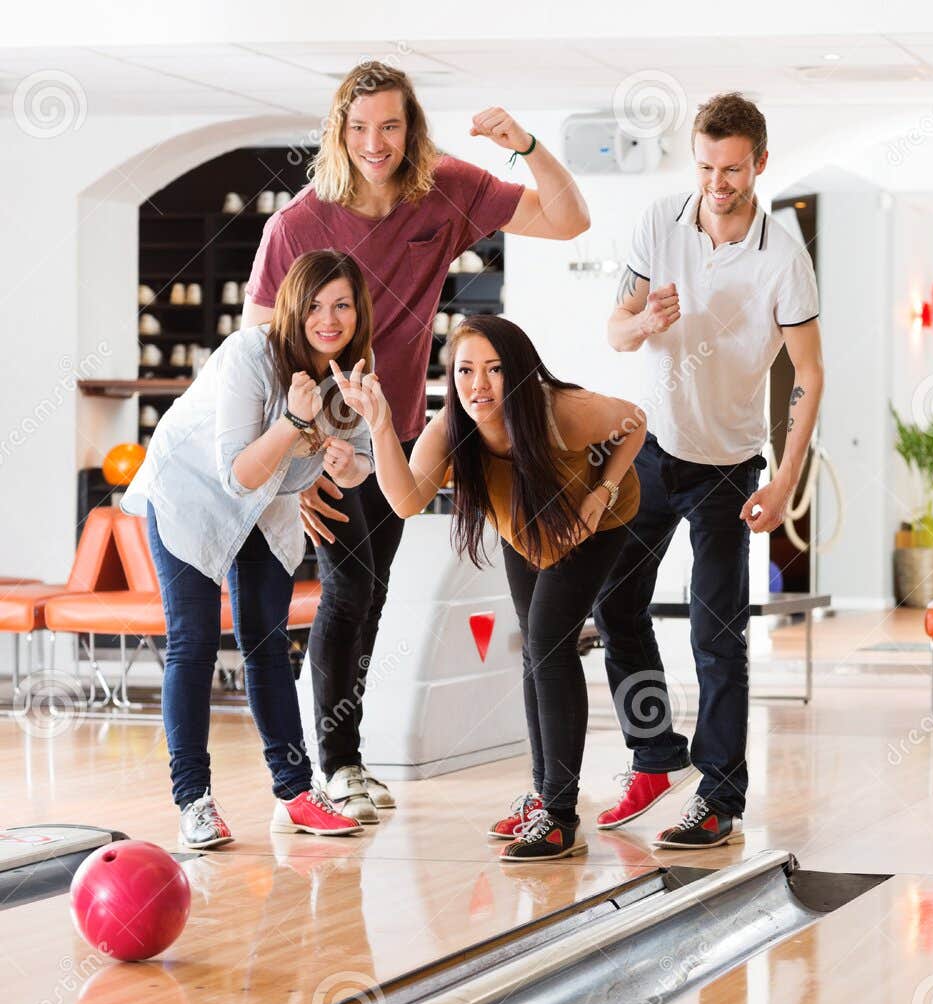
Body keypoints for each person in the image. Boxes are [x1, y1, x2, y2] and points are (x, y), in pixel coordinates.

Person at [243, 60, 591, 822]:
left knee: (373, 594)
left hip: (395, 435)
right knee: (349, 589)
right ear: (338, 131)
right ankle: (336, 763)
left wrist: (527, 146)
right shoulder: (296, 225)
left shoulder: (446, 188)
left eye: (391, 126)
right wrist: (292, 466)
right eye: (360, 127)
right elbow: (255, 350)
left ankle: (347, 756)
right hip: (323, 444)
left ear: (412, 129)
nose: (376, 143)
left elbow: (569, 220)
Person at [594, 92, 824, 849]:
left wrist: (784, 481)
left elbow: (809, 372)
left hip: (728, 466)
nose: (716, 183)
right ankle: (655, 755)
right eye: (704, 167)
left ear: (759, 164)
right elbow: (616, 330)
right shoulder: (659, 222)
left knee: (717, 637)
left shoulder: (783, 257)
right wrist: (644, 321)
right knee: (613, 603)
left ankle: (720, 797)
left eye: (731, 169)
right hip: (651, 450)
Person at [342, 316, 643, 861]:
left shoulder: (561, 412)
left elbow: (634, 422)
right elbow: (406, 501)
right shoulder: (450, 429)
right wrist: (381, 425)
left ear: (519, 372)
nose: (477, 385)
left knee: (549, 644)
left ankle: (560, 816)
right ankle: (544, 795)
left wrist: (600, 493)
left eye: (494, 369)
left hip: (595, 522)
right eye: (465, 371)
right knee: (533, 648)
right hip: (525, 527)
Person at [123, 250, 376, 850]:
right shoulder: (249, 354)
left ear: (359, 312)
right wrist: (295, 422)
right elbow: (237, 475)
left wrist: (348, 464)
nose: (328, 319)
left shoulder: (354, 372)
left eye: (342, 305)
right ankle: (194, 801)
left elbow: (363, 457)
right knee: (193, 641)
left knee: (266, 643)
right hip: (192, 492)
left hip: (269, 502)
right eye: (315, 305)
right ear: (292, 308)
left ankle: (296, 793)